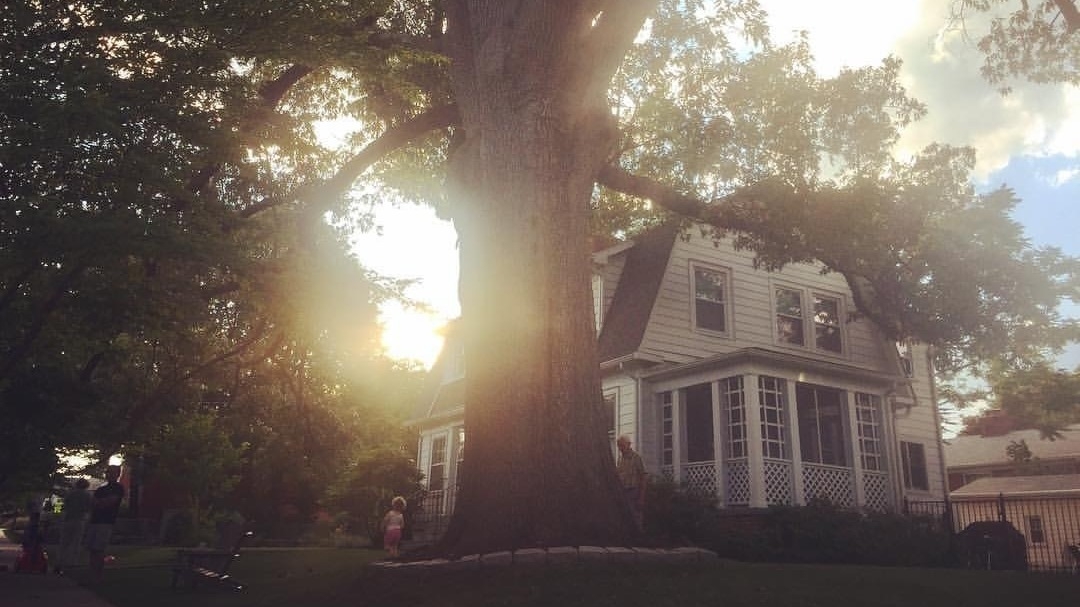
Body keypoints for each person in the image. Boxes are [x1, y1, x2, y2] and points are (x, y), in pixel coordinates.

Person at [85, 465, 125, 581]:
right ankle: (92, 573)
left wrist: (100, 502)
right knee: (92, 548)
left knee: (99, 549)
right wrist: (100, 502)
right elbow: (94, 503)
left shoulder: (118, 488)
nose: (108, 474)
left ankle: (98, 575)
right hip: (95, 521)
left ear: (117, 474)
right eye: (107, 472)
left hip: (106, 522)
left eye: (111, 472)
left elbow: (109, 502)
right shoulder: (101, 489)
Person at [56, 478, 92, 574]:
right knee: (76, 542)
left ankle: (60, 561)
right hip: (79, 520)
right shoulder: (87, 495)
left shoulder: (70, 494)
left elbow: (63, 506)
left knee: (64, 542)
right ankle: (72, 562)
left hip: (68, 519)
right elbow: (89, 508)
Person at [616, 435, 647, 529]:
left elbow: (643, 476)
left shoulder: (636, 457)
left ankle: (638, 536)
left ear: (629, 445)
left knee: (635, 515)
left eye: (622, 445)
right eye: (619, 446)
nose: (620, 448)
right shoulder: (620, 459)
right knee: (624, 515)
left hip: (634, 490)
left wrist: (641, 497)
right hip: (623, 491)